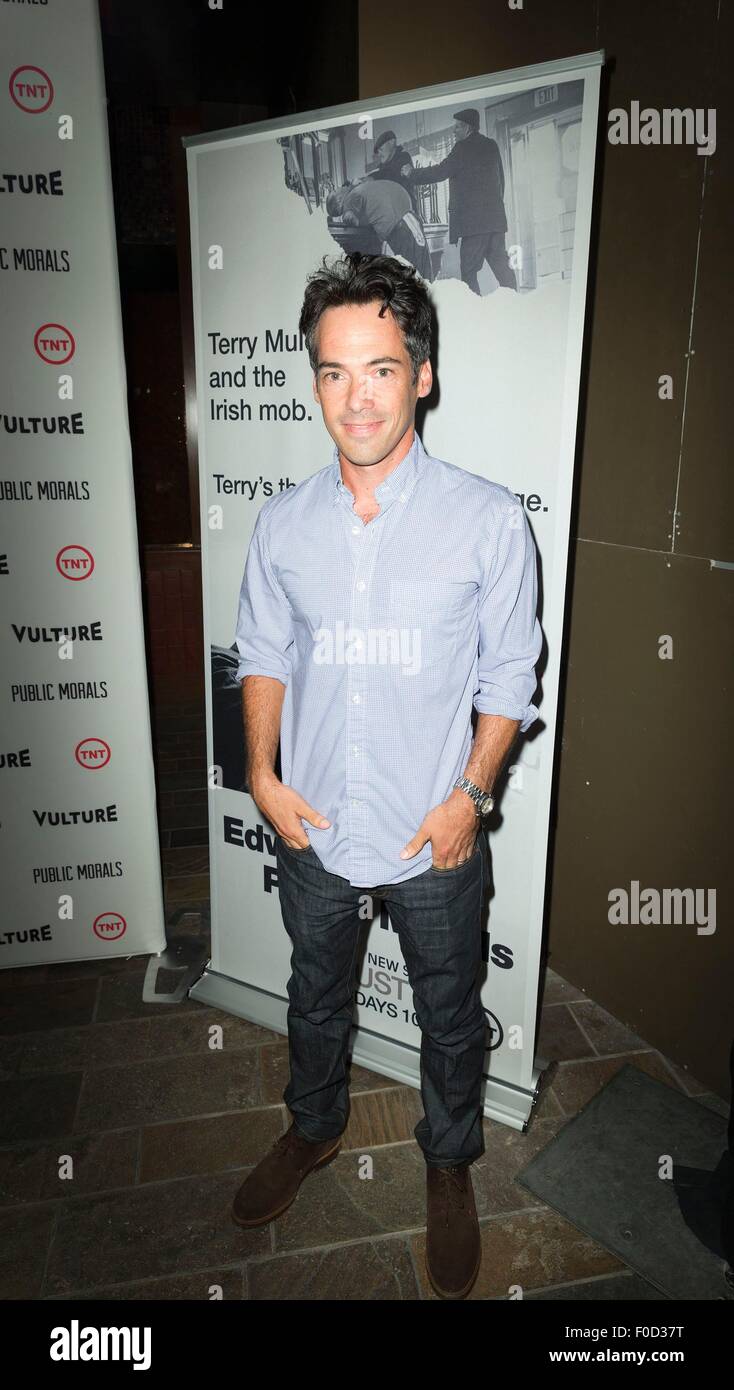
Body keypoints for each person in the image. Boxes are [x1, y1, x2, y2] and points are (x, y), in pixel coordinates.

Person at [231, 252, 542, 1299]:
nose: (353, 395)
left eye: (377, 368)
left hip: (431, 831)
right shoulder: (281, 525)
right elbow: (265, 654)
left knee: (450, 1015)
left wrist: (471, 797)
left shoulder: (487, 520)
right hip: (314, 823)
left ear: (421, 375)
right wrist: (261, 777)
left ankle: (446, 1163)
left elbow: (509, 677)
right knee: (314, 998)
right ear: (314, 380)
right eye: (331, 371)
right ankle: (314, 1128)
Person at [407, 106, 517, 294]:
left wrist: (412, 173)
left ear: (468, 128)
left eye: (457, 127)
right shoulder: (491, 145)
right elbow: (501, 179)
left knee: (468, 272)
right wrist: (495, 207)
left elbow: (440, 171)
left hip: (474, 225)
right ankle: (517, 305)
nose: (454, 130)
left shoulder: (462, 148)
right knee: (503, 269)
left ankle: (475, 316)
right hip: (495, 221)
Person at [327, 179, 433, 283]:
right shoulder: (350, 198)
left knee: (415, 272)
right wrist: (362, 222)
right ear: (339, 200)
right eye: (336, 190)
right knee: (418, 271)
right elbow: (348, 216)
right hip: (402, 224)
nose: (341, 187)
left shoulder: (358, 190)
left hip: (401, 223)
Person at [369, 127, 420, 216]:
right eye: (378, 152)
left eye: (381, 149)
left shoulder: (404, 157)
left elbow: (391, 174)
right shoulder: (382, 167)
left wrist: (371, 178)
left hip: (408, 213)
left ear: (392, 142)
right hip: (392, 214)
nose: (379, 154)